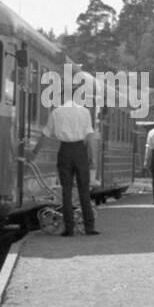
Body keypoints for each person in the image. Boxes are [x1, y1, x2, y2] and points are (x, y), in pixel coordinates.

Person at [31, 96, 99, 236]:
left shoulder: (56, 112)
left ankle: (69, 228)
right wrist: (93, 158)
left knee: (66, 192)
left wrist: (34, 153)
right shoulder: (84, 112)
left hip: (65, 151)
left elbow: (45, 135)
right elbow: (91, 137)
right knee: (84, 191)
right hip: (80, 151)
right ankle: (89, 227)